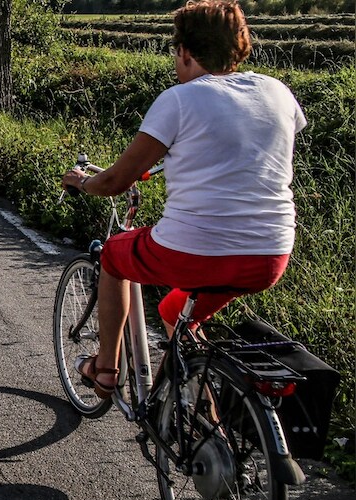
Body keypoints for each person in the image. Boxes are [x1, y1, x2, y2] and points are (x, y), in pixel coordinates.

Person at [60, 0, 307, 399]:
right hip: (269, 254)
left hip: (194, 250)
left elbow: (117, 181)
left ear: (185, 52)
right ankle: (202, 421)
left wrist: (83, 183)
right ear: (238, 46)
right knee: (175, 312)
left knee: (112, 256)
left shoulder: (180, 98)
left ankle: (105, 369)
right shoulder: (277, 92)